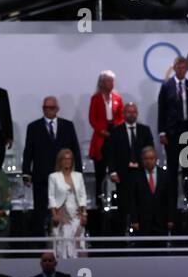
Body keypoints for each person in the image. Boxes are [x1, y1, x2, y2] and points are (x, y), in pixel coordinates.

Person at [22, 97, 81, 237]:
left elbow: (75, 150)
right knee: (41, 212)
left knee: (65, 210)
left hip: (64, 178)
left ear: (57, 109)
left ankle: (64, 239)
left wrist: (78, 174)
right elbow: (28, 151)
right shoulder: (33, 127)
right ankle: (41, 242)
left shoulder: (68, 126)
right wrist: (26, 173)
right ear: (43, 109)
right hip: (41, 177)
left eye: (52, 107)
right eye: (46, 108)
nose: (49, 110)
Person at [157, 55, 188, 197]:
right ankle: (172, 198)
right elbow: (162, 110)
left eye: (184, 67)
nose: (181, 70)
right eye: (179, 67)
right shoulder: (166, 87)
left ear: (187, 69)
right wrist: (162, 132)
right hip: (172, 133)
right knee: (172, 167)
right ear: (174, 68)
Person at [87, 70, 124, 204]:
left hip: (114, 133)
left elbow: (121, 117)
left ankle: (117, 198)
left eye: (112, 81)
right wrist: (102, 131)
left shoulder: (117, 98)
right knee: (100, 171)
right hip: (101, 136)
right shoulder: (95, 98)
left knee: (117, 167)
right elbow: (92, 118)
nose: (111, 83)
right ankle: (99, 199)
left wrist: (116, 130)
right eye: (108, 81)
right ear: (102, 82)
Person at [122, 145, 175, 237]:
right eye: (146, 158)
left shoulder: (164, 174)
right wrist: (134, 220)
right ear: (142, 159)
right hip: (142, 222)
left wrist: (170, 218)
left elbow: (170, 198)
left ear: (156, 159)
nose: (149, 161)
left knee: (161, 248)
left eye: (151, 158)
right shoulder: (136, 176)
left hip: (161, 220)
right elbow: (132, 199)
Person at [47, 148, 87, 258]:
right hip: (62, 213)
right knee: (63, 240)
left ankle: (77, 266)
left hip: (76, 213)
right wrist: (54, 215)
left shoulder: (78, 176)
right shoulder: (53, 177)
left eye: (69, 159)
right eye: (64, 159)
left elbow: (83, 196)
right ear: (60, 161)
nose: (67, 161)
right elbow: (51, 197)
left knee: (78, 241)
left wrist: (84, 214)